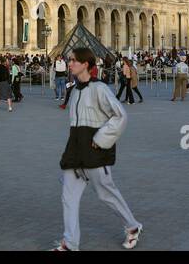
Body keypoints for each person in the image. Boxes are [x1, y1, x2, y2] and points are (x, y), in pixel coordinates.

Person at [52, 47, 142, 251]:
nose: (70, 63)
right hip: (74, 152)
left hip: (95, 151)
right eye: (70, 60)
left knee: (106, 194)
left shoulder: (99, 88)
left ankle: (133, 226)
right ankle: (70, 243)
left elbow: (120, 116)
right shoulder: (74, 90)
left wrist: (102, 138)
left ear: (85, 64)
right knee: (69, 198)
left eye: (74, 60)